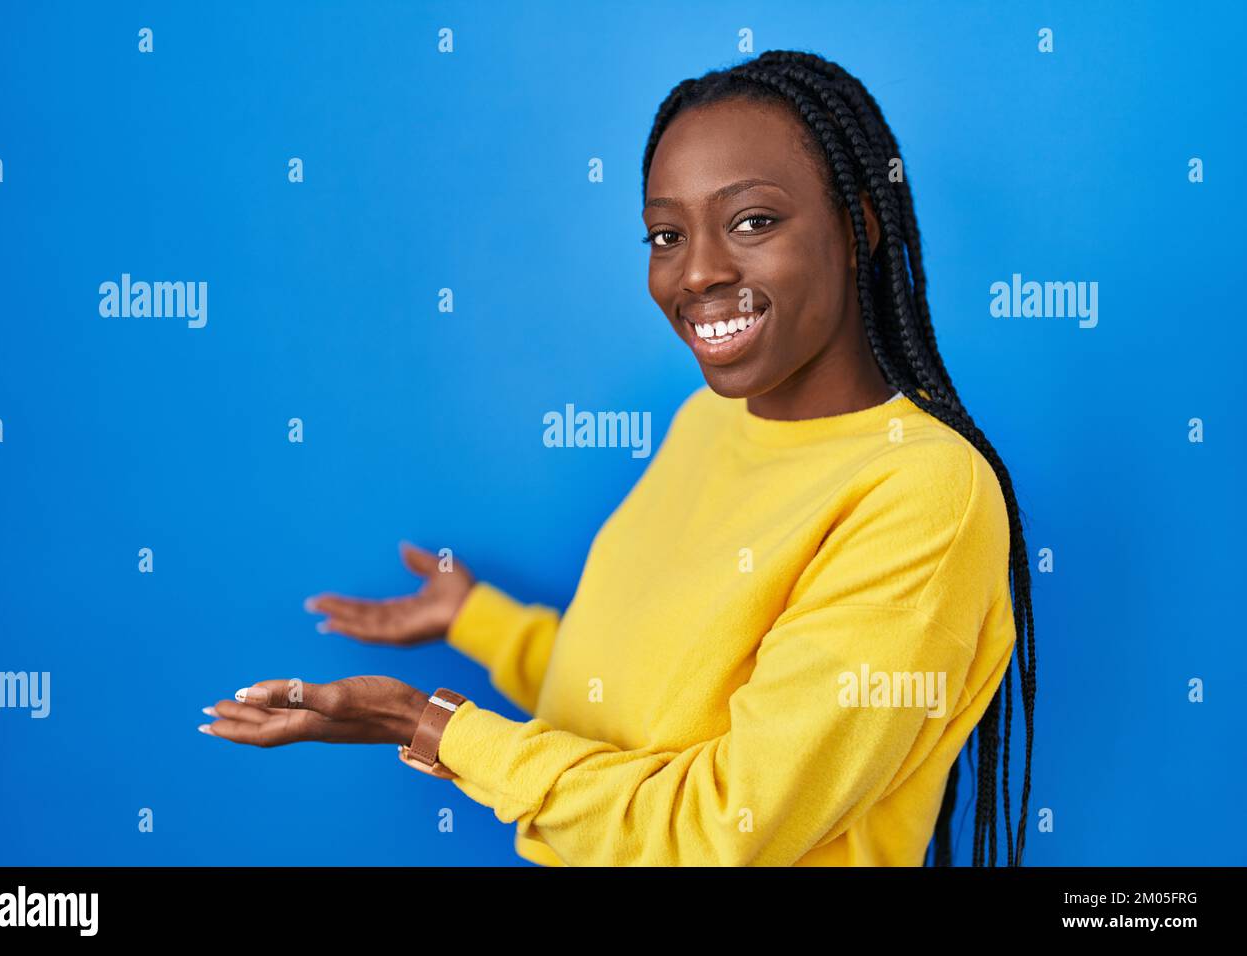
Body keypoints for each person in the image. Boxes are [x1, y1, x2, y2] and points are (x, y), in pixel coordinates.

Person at [200, 49, 1036, 868]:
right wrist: (476, 620)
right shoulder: (709, 420)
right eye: (667, 234)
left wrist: (428, 725)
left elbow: (717, 833)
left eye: (752, 221)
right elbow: (637, 705)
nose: (698, 272)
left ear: (859, 226)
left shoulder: (922, 490)